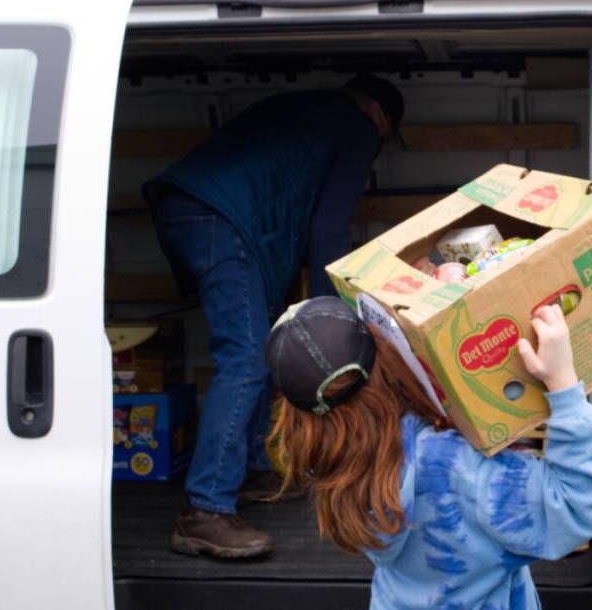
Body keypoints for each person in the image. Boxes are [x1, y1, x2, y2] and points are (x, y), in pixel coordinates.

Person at [144, 73, 405, 559]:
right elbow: (328, 228)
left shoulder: (308, 105)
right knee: (247, 358)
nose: (375, 150)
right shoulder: (356, 126)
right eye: (384, 139)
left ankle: (246, 470)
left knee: (259, 348)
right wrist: (335, 318)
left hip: (194, 212)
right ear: (377, 115)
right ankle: (204, 509)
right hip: (221, 219)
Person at [265, 297, 592, 609]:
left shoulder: (339, 468)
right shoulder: (454, 468)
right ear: (387, 358)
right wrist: (564, 386)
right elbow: (575, 506)